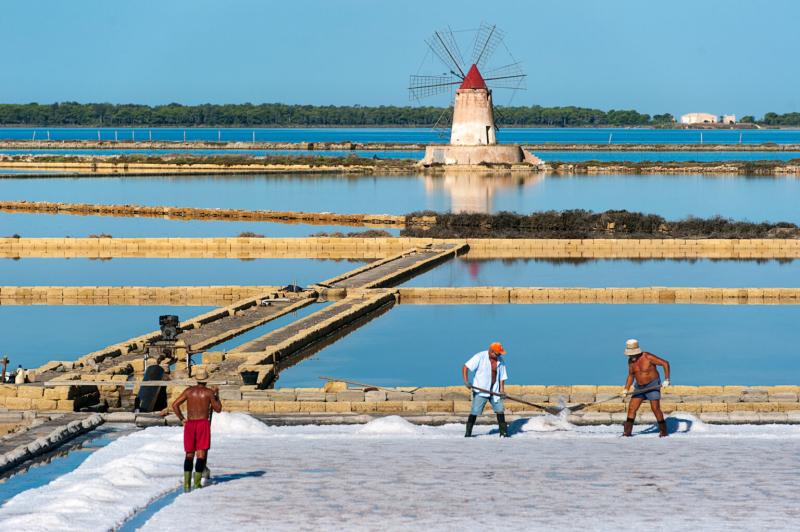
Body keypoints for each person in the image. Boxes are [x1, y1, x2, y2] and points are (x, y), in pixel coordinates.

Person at [171, 368, 222, 492]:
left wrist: (182, 419)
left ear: (196, 379)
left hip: (190, 424)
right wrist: (216, 395)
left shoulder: (189, 391)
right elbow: (218, 409)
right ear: (206, 380)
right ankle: (197, 484)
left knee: (189, 454)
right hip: (203, 424)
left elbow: (174, 405)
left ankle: (187, 484)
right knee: (201, 454)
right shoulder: (209, 392)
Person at [621, 339, 671, 437]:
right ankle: (627, 433)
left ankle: (663, 431)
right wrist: (626, 389)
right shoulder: (630, 361)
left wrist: (667, 379)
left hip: (652, 385)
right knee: (631, 408)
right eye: (629, 355)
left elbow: (665, 363)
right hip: (639, 387)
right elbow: (631, 375)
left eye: (632, 354)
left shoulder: (648, 356)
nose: (631, 356)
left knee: (655, 408)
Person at [462, 342, 509, 438]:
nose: (499, 356)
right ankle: (468, 433)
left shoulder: (500, 360)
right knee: (475, 411)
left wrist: (502, 390)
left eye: (500, 354)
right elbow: (465, 367)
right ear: (491, 351)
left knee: (500, 410)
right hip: (481, 390)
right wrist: (466, 381)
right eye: (497, 354)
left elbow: (502, 377)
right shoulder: (479, 357)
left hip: (495, 391)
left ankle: (503, 433)